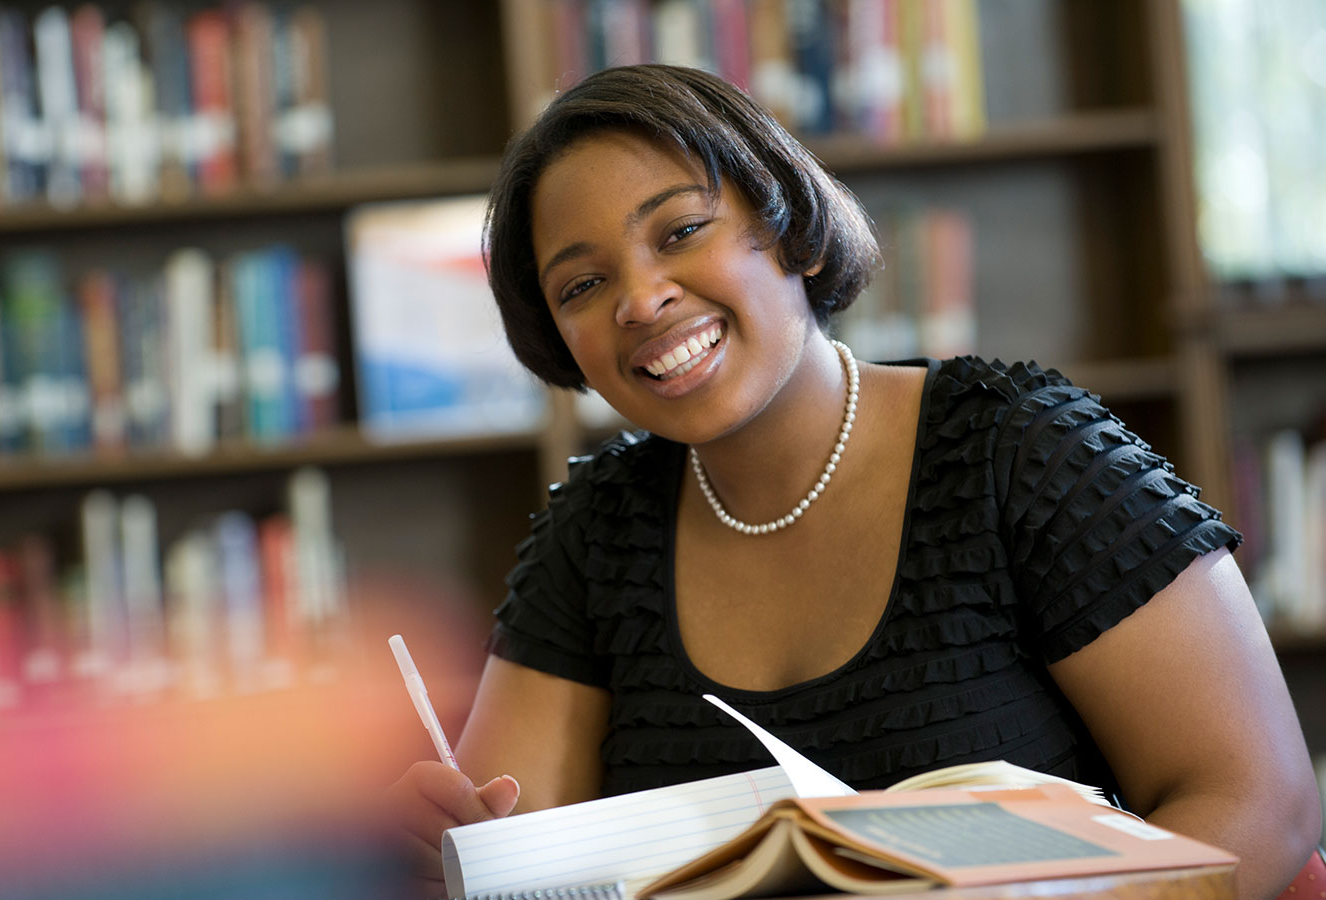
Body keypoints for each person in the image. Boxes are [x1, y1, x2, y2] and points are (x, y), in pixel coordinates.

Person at [387, 64, 1321, 900]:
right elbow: (512, 850)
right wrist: (451, 851)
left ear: (789, 226)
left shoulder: (1018, 447)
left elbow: (1260, 802)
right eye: (581, 287)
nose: (639, 300)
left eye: (679, 231)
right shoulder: (593, 534)